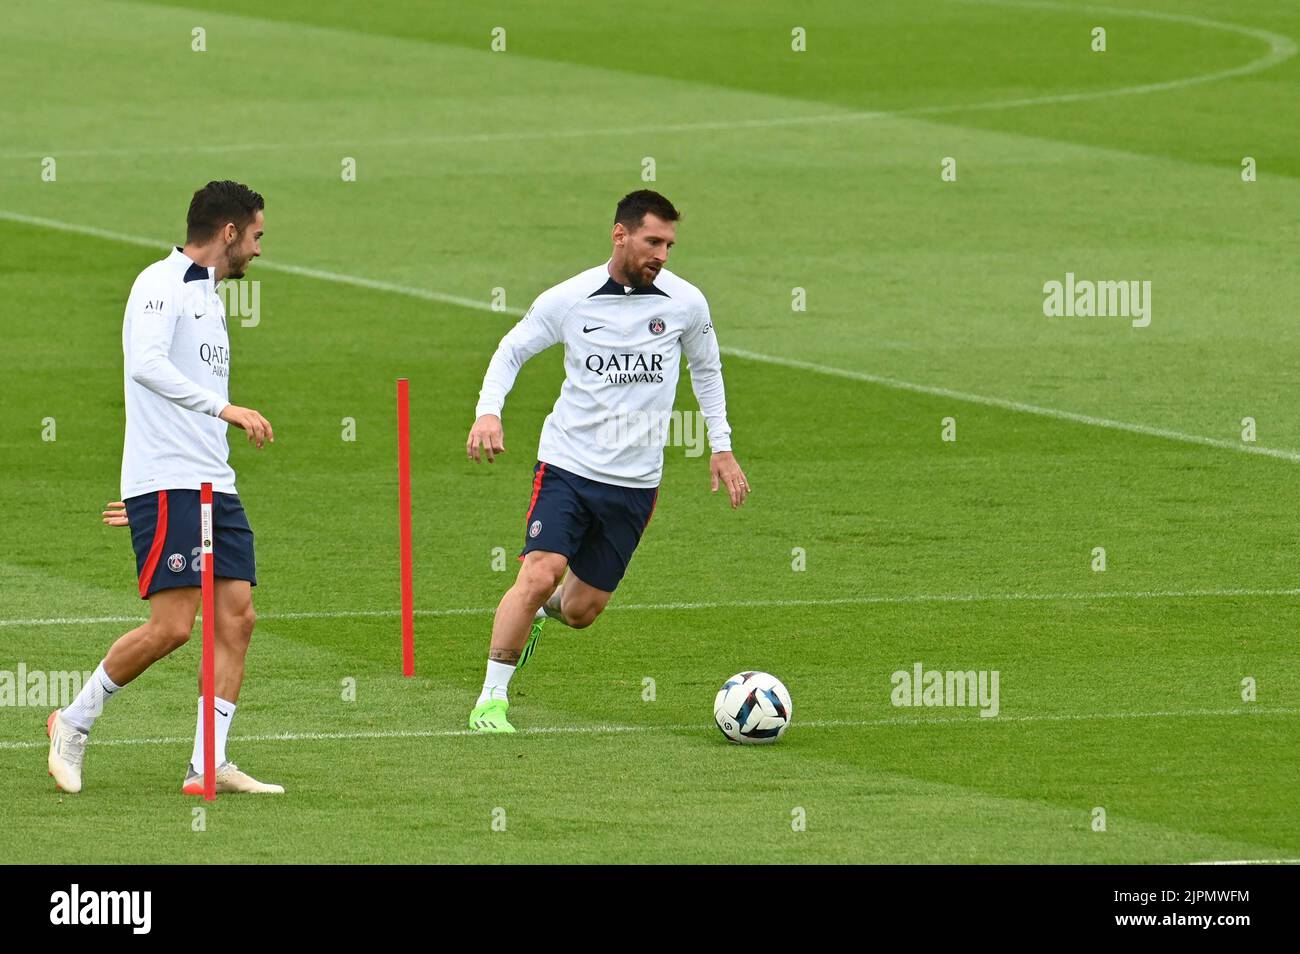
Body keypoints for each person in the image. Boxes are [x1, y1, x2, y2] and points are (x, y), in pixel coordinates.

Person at [465, 190, 750, 733]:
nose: (662, 253)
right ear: (620, 234)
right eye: (652, 241)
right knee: (539, 572)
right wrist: (489, 413)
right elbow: (512, 350)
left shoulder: (686, 303)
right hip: (567, 465)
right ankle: (490, 702)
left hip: (636, 482)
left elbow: (707, 371)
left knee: (580, 611)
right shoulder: (569, 299)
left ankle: (544, 617)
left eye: (669, 244)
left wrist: (722, 445)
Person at [48, 180, 282, 794]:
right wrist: (220, 414)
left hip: (214, 485)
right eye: (255, 236)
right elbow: (145, 366)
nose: (258, 250)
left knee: (239, 618)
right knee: (173, 628)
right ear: (228, 232)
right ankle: (72, 721)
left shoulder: (211, 297)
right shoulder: (160, 282)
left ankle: (208, 762)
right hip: (171, 484)